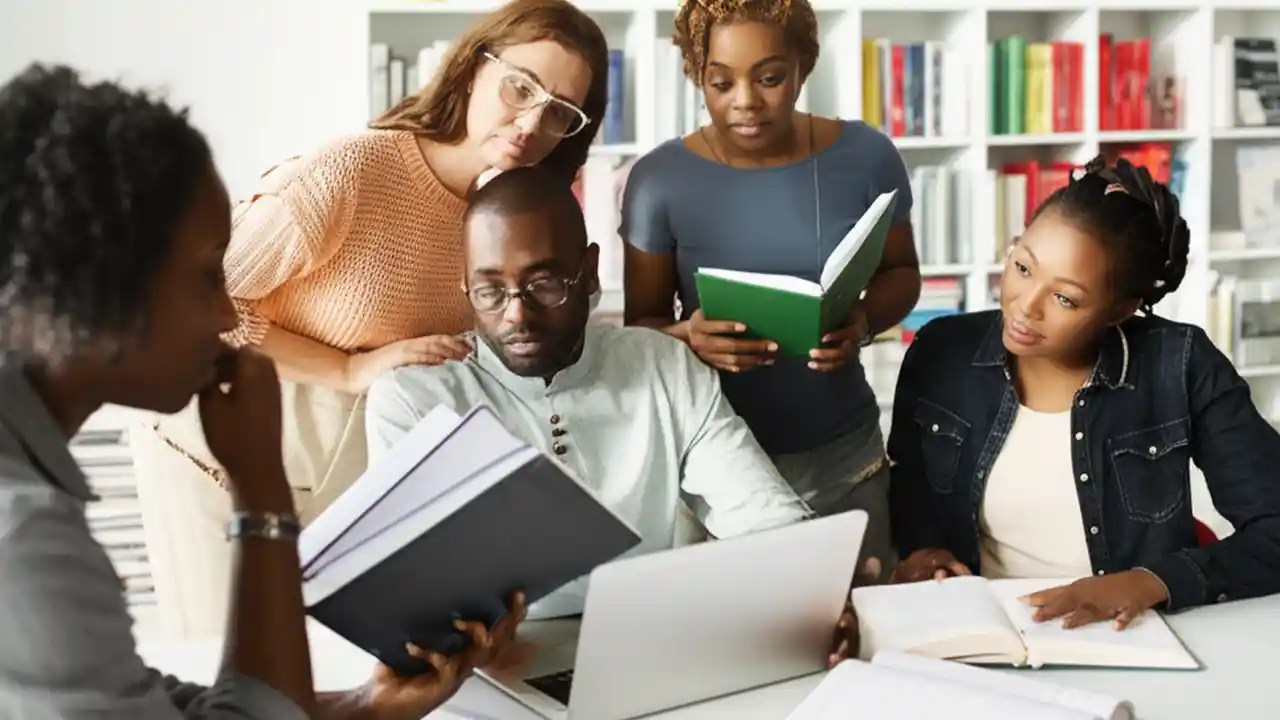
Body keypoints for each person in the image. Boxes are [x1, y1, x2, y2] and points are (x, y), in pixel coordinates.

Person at [0, 63, 524, 720]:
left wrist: (366, 708)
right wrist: (261, 491)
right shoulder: (24, 539)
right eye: (205, 276)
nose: (227, 316)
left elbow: (150, 703)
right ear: (94, 280)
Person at [131, 0, 611, 638]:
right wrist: (349, 367)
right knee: (231, 659)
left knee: (325, 661)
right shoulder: (351, 171)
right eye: (520, 86)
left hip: (349, 453)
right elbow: (196, 307)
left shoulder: (502, 216)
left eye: (559, 112)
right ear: (472, 70)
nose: (531, 121)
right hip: (222, 437)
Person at [366, 166, 862, 665]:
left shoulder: (660, 365)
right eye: (490, 291)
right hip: (488, 667)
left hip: (645, 647)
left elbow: (762, 513)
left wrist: (815, 587)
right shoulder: (415, 400)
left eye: (543, 284)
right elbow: (406, 589)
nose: (516, 315)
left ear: (589, 270)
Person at [888, 156, 1280, 629]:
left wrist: (1148, 582)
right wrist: (923, 554)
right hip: (981, 630)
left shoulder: (1178, 364)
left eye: (1065, 298)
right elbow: (911, 492)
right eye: (1023, 266)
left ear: (1122, 310)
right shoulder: (941, 351)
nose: (1025, 307)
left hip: (1128, 633)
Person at [620, 0, 918, 580]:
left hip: (845, 465)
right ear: (694, 73)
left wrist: (859, 323)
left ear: (803, 66)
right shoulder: (658, 181)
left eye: (770, 78)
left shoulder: (866, 156)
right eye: (720, 81)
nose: (746, 102)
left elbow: (903, 275)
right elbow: (642, 329)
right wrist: (689, 337)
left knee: (863, 639)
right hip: (715, 478)